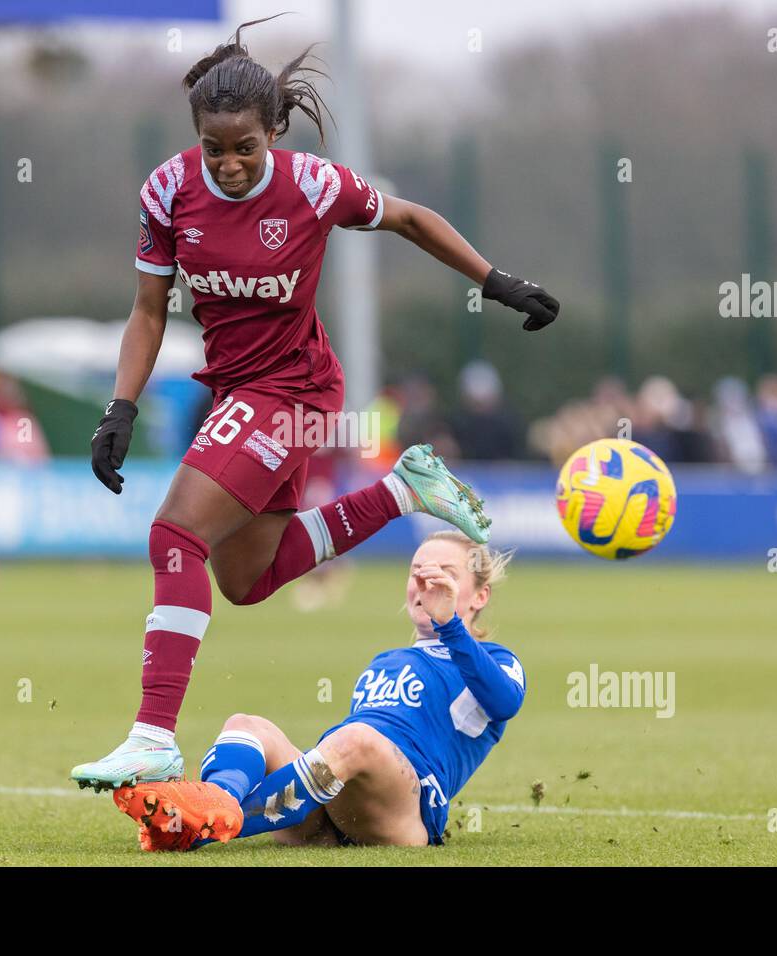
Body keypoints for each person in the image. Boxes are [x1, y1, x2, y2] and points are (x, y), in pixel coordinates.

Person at [70, 16, 558, 791]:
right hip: (237, 389)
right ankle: (404, 489)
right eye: (214, 148)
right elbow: (149, 310)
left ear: (274, 130)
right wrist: (119, 408)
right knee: (244, 580)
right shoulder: (166, 190)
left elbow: (407, 217)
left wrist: (494, 281)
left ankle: (153, 736)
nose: (229, 164)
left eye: (245, 147)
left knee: (173, 534)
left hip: (293, 387)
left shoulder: (313, 185)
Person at [112, 530, 524, 850]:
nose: (426, 582)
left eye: (445, 575)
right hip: (334, 804)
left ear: (480, 596)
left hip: (405, 812)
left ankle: (200, 829)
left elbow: (504, 702)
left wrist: (451, 625)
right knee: (247, 724)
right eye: (418, 571)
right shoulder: (386, 660)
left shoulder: (496, 660)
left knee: (357, 738)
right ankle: (211, 801)